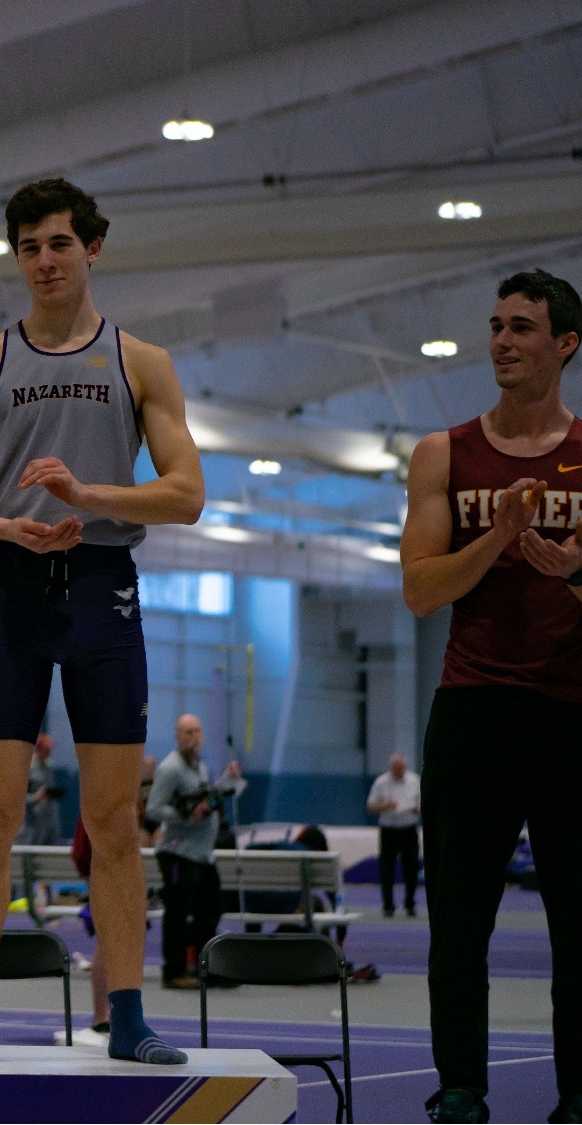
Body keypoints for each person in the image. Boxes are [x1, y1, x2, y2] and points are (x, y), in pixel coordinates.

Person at [0, 177, 205, 1066]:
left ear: (93, 249)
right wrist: (6, 523)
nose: (45, 260)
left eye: (59, 244)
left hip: (103, 590)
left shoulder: (140, 362)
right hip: (11, 587)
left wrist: (91, 494)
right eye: (29, 246)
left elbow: (188, 494)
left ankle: (127, 1015)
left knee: (114, 821)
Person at [400, 269, 582, 1124]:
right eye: (496, 325)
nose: (502, 341)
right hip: (471, 710)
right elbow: (421, 590)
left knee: (578, 930)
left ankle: (578, 1092)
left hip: (571, 713)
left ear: (565, 346)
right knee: (458, 925)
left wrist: (576, 566)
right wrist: (500, 536)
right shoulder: (443, 453)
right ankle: (462, 1089)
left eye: (523, 328)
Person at [146, 714, 245, 989]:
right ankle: (174, 971)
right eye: (187, 732)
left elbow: (206, 797)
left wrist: (227, 782)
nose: (193, 736)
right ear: (177, 736)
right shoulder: (170, 768)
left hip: (202, 854)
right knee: (178, 912)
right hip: (178, 853)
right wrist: (186, 814)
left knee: (209, 910)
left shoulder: (198, 766)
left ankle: (205, 968)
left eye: (197, 731)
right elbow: (154, 808)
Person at [366, 752, 421, 918]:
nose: (399, 771)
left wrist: (417, 808)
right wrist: (386, 805)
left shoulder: (414, 781)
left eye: (401, 768)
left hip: (408, 829)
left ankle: (410, 903)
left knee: (411, 868)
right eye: (396, 768)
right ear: (391, 768)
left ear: (405, 767)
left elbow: (423, 800)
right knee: (387, 869)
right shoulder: (381, 782)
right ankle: (388, 905)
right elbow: (370, 806)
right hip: (389, 830)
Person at [18, 734, 64, 847]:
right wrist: (35, 798)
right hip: (33, 821)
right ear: (39, 748)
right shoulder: (27, 767)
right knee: (31, 855)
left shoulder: (48, 767)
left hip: (50, 818)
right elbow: (18, 797)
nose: (50, 751)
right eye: (47, 748)